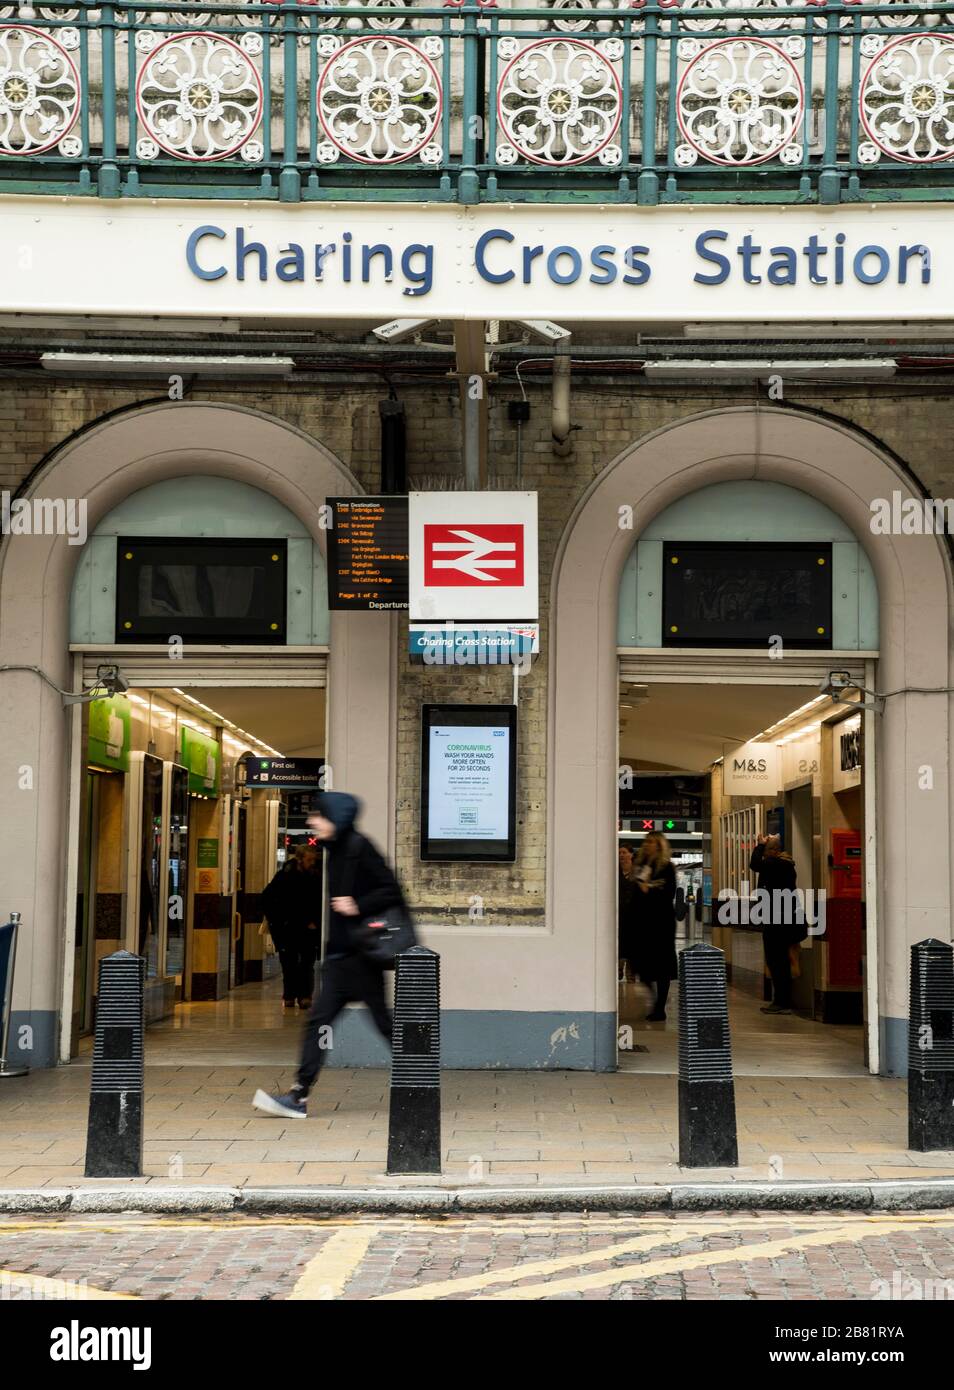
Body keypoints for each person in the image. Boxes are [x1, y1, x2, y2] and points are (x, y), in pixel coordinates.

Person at [252, 790, 406, 1120]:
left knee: (383, 1024)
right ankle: (299, 1094)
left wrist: (358, 905)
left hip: (361, 958)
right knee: (319, 1023)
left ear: (335, 817)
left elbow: (391, 890)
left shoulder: (358, 848)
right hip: (340, 959)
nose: (311, 822)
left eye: (318, 815)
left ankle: (418, 1077)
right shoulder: (333, 850)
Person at [261, 843, 322, 1010]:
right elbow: (267, 899)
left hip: (308, 929)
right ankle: (290, 995)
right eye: (309, 860)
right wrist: (277, 922)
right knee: (289, 964)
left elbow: (319, 902)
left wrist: (316, 922)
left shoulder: (316, 876)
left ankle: (305, 996)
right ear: (300, 859)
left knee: (307, 963)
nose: (312, 863)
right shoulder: (284, 877)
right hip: (288, 929)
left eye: (313, 860)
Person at [626, 831, 678, 1022]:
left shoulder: (667, 868)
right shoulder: (640, 866)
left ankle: (660, 1007)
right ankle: (654, 998)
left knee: (662, 966)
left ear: (660, 846)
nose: (647, 845)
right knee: (640, 963)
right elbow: (635, 895)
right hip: (642, 924)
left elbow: (668, 894)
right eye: (646, 842)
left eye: (652, 842)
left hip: (662, 923)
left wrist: (649, 889)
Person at [750, 833, 799, 1016]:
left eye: (768, 850)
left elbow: (754, 864)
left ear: (775, 851)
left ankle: (782, 1002)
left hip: (778, 921)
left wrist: (760, 845)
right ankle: (780, 1000)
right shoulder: (785, 865)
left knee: (777, 961)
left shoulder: (777, 863)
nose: (764, 854)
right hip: (781, 919)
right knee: (779, 961)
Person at [618, 844, 637, 983]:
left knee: (632, 945)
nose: (621, 855)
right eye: (619, 853)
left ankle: (631, 974)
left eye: (624, 852)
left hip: (633, 914)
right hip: (618, 914)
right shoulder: (614, 872)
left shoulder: (638, 872)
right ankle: (619, 969)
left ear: (631, 854)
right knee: (620, 943)